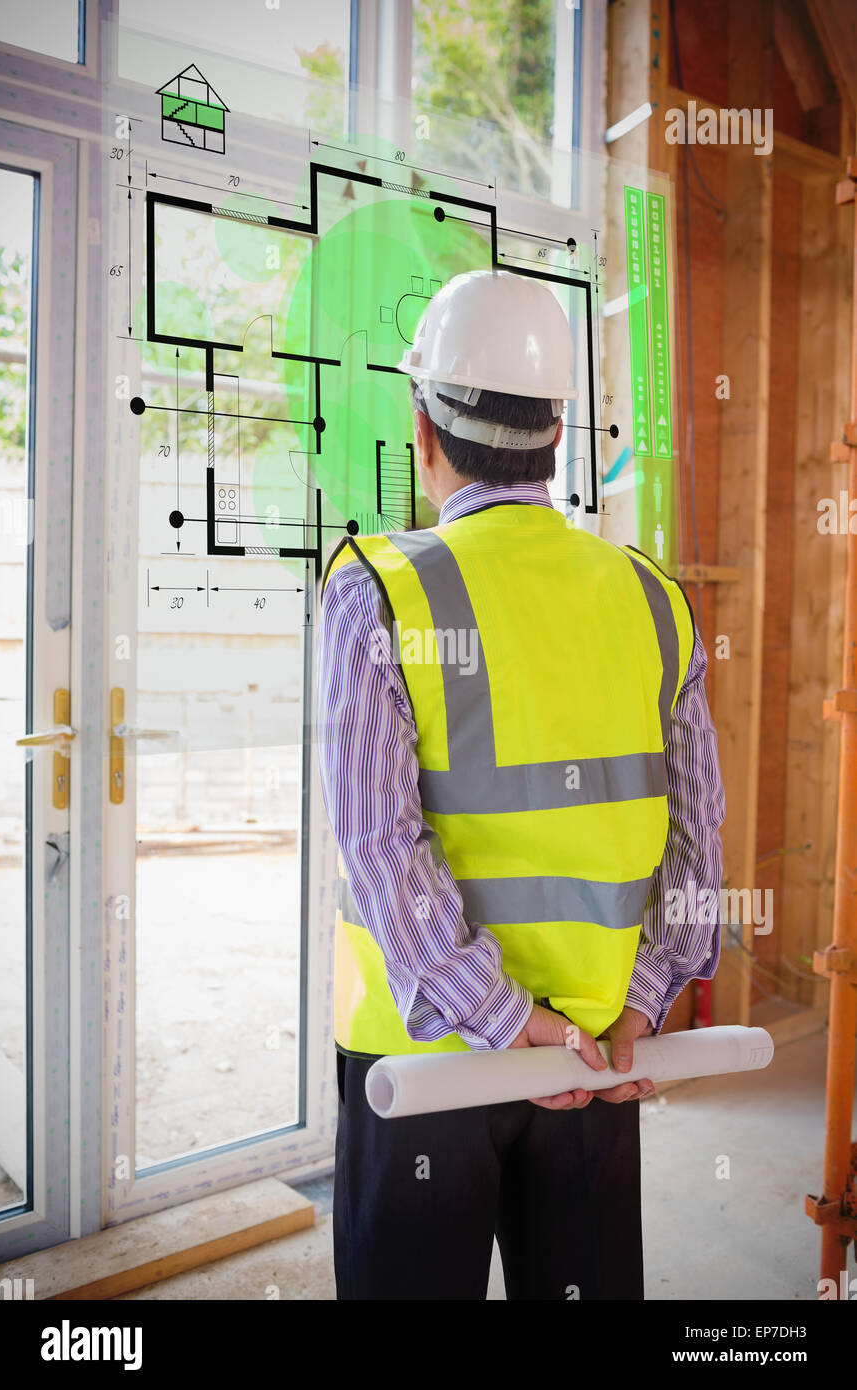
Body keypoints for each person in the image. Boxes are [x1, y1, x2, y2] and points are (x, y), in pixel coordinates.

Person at [316, 268, 725, 1301]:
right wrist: (635, 1003)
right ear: (556, 433)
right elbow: (697, 841)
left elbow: (377, 845)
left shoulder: (378, 591)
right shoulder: (649, 597)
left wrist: (499, 1017)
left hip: (421, 1063)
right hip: (595, 1055)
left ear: (423, 430)